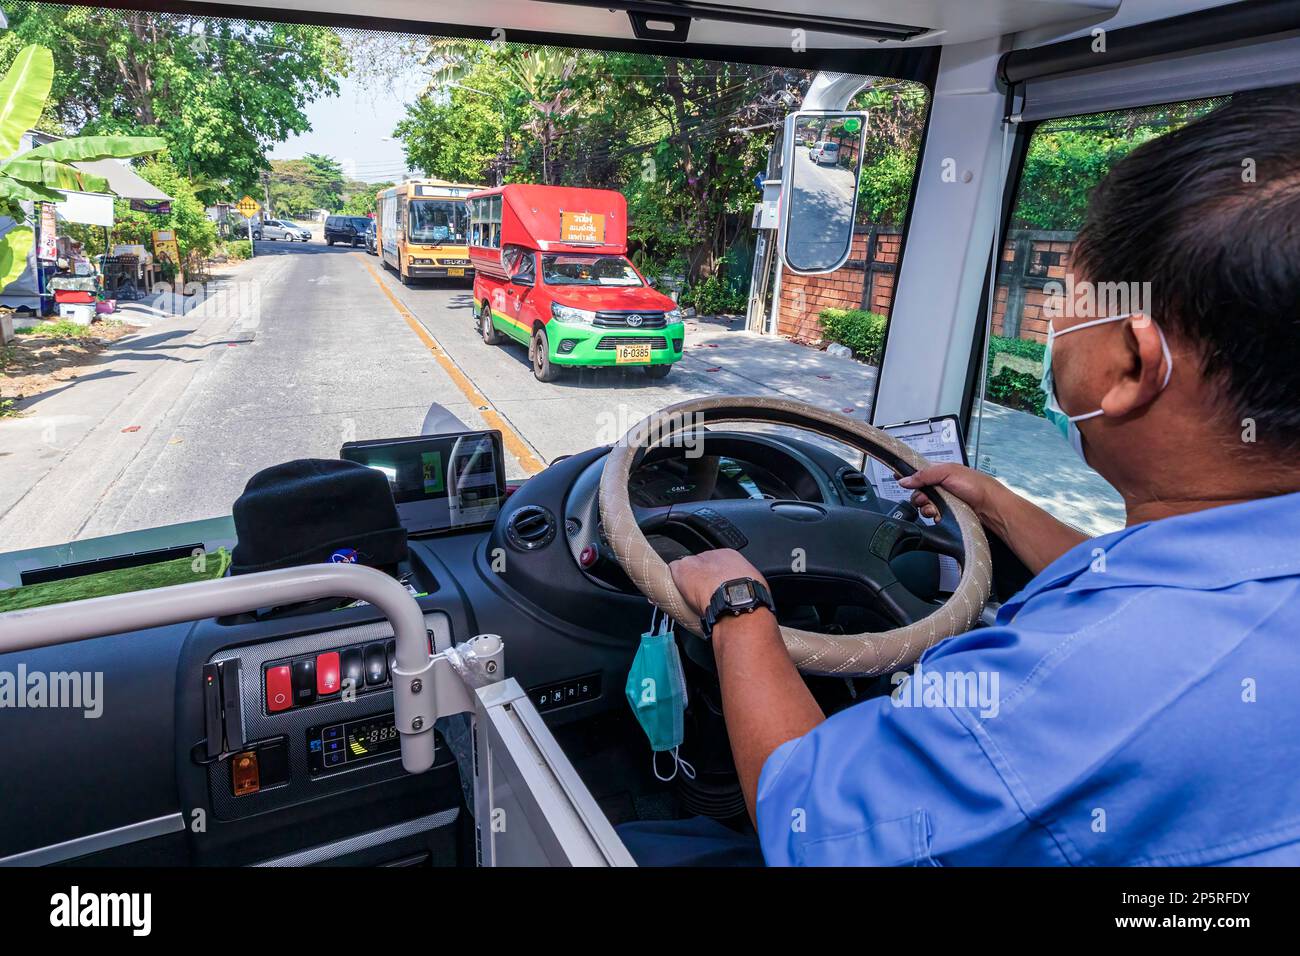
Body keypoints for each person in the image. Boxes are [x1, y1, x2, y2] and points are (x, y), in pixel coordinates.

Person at [619, 86, 1300, 865]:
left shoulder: (1065, 688)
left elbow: (805, 814)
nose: (1052, 331)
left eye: (1067, 308)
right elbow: (1154, 585)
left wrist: (739, 606)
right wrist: (998, 506)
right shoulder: (1238, 570)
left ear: (1134, 363)